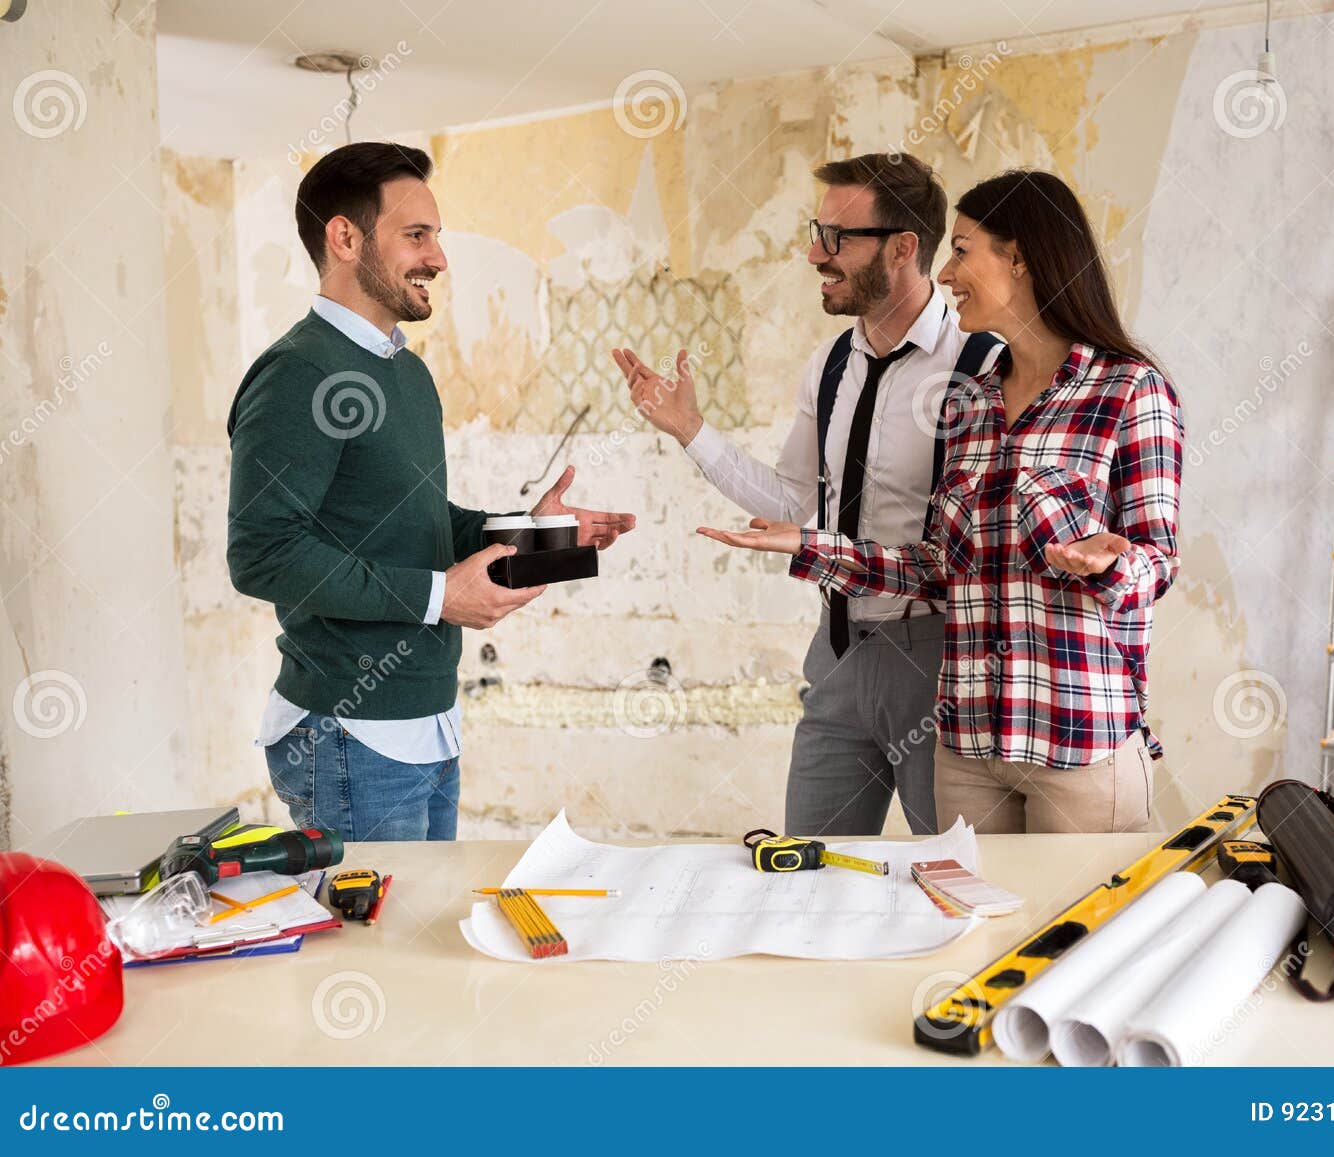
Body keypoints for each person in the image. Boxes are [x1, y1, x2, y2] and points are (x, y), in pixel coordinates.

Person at [699, 169, 1182, 835]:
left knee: (1076, 936)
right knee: (969, 931)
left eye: (960, 249)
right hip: (969, 746)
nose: (946, 269)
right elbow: (937, 566)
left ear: (1019, 257)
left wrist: (1111, 566)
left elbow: (1158, 563)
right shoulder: (972, 402)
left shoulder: (1129, 391)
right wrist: (807, 547)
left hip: (1077, 738)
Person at [226, 141, 634, 841]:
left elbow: (411, 519)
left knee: (421, 948)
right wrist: (441, 596)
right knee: (381, 952)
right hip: (351, 734)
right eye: (417, 235)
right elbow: (262, 554)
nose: (439, 259)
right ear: (345, 237)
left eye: (437, 237)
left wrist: (533, 533)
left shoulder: (404, 373)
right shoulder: (298, 372)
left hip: (428, 724)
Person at [612, 153, 1001, 837]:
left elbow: (979, 550)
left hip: (940, 661)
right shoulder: (829, 366)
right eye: (815, 231)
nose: (815, 253)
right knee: (805, 871)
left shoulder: (983, 362)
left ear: (904, 247)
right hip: (839, 649)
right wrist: (690, 430)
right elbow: (794, 506)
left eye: (837, 238)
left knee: (952, 879)